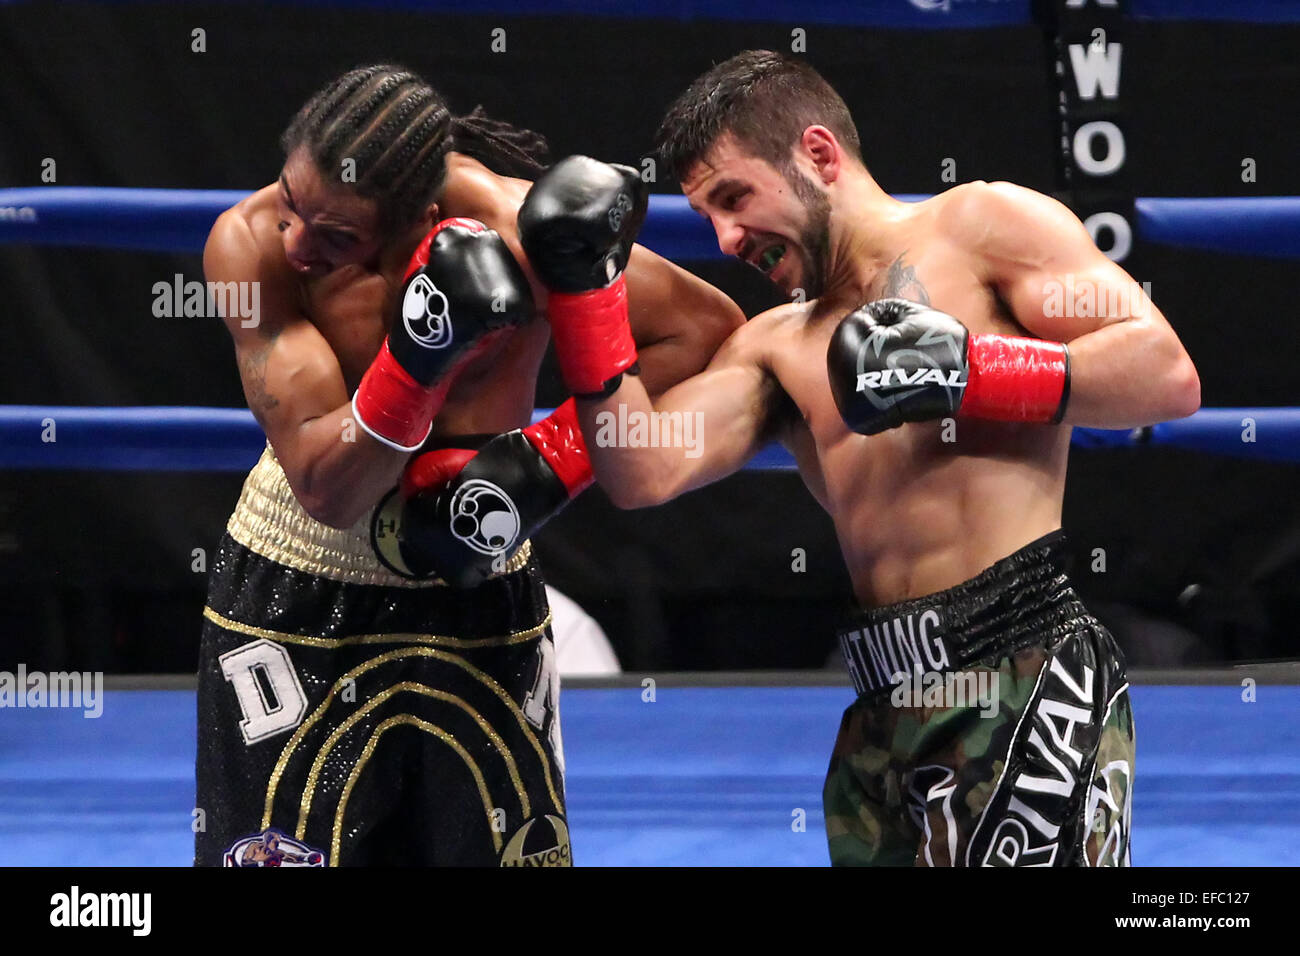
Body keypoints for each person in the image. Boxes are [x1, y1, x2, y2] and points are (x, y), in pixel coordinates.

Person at [516, 50, 1201, 866]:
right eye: (707, 219)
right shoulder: (772, 345)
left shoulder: (981, 225)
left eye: (734, 198)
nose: (728, 238)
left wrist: (968, 370)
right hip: (881, 701)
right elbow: (642, 470)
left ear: (818, 154)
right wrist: (586, 298)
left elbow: (1166, 374)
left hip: (1024, 666)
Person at [195, 64, 743, 866]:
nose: (298, 243)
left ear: (418, 218)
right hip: (299, 586)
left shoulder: (521, 235)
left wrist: (543, 462)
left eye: (338, 234)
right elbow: (325, 486)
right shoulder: (249, 249)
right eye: (289, 201)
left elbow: (702, 334)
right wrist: (420, 359)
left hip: (476, 590)